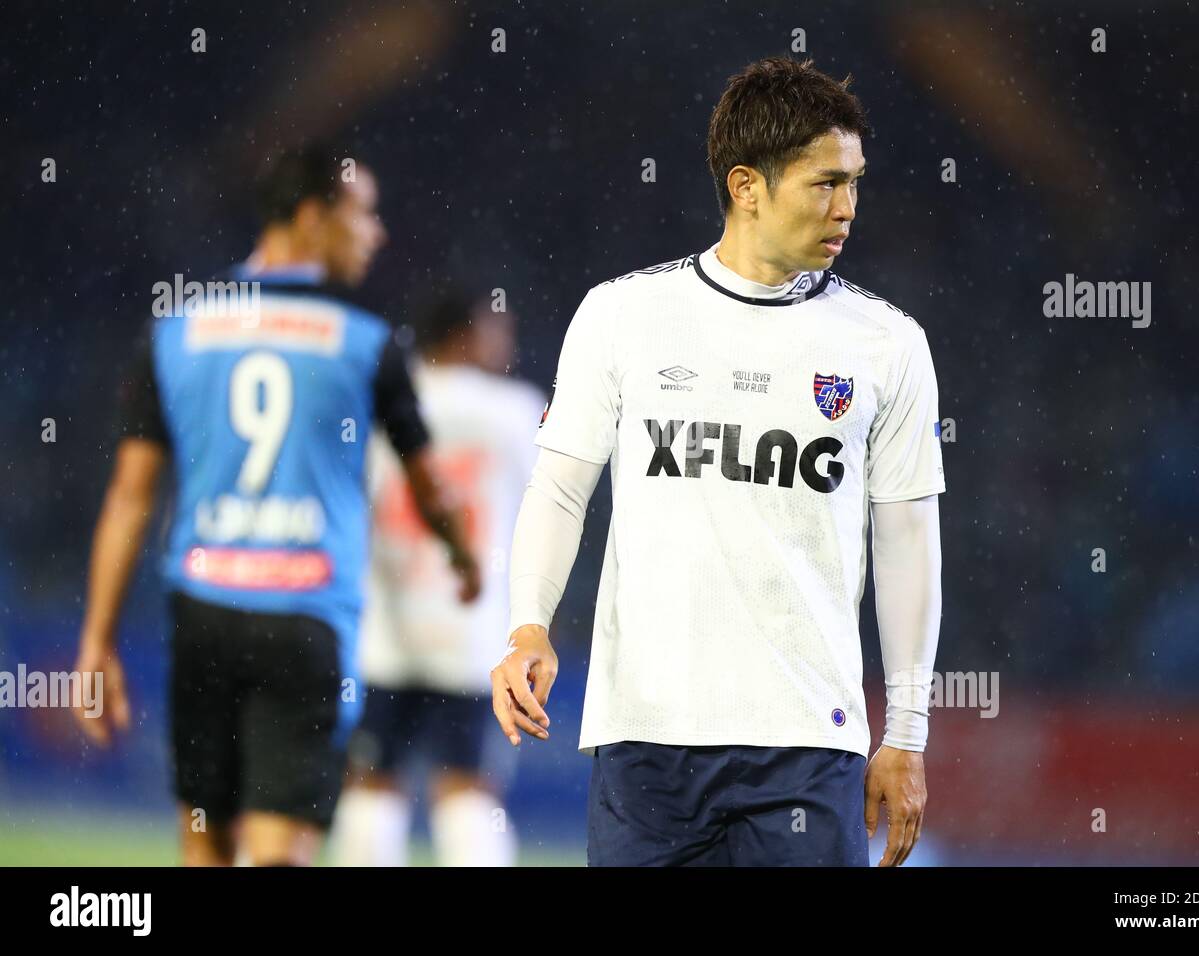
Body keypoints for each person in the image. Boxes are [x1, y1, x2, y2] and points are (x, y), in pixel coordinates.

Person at [492, 57, 945, 867]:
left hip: (808, 743)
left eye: (855, 183)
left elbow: (907, 538)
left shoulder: (889, 345)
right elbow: (560, 490)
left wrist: (905, 733)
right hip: (647, 742)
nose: (847, 208)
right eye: (824, 184)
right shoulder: (623, 315)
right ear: (746, 186)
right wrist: (529, 624)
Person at [73, 144, 479, 866]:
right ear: (314, 216)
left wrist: (97, 639)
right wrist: (461, 553)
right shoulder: (366, 343)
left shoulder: (177, 331)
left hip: (204, 612)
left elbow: (130, 497)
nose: (375, 233)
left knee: (204, 841)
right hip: (305, 621)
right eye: (363, 214)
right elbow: (429, 485)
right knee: (279, 850)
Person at [333, 287, 544, 866]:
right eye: (496, 329)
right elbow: (549, 506)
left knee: (373, 784)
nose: (506, 344)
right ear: (464, 334)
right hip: (475, 633)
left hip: (386, 626)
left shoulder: (379, 404)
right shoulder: (514, 412)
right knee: (469, 790)